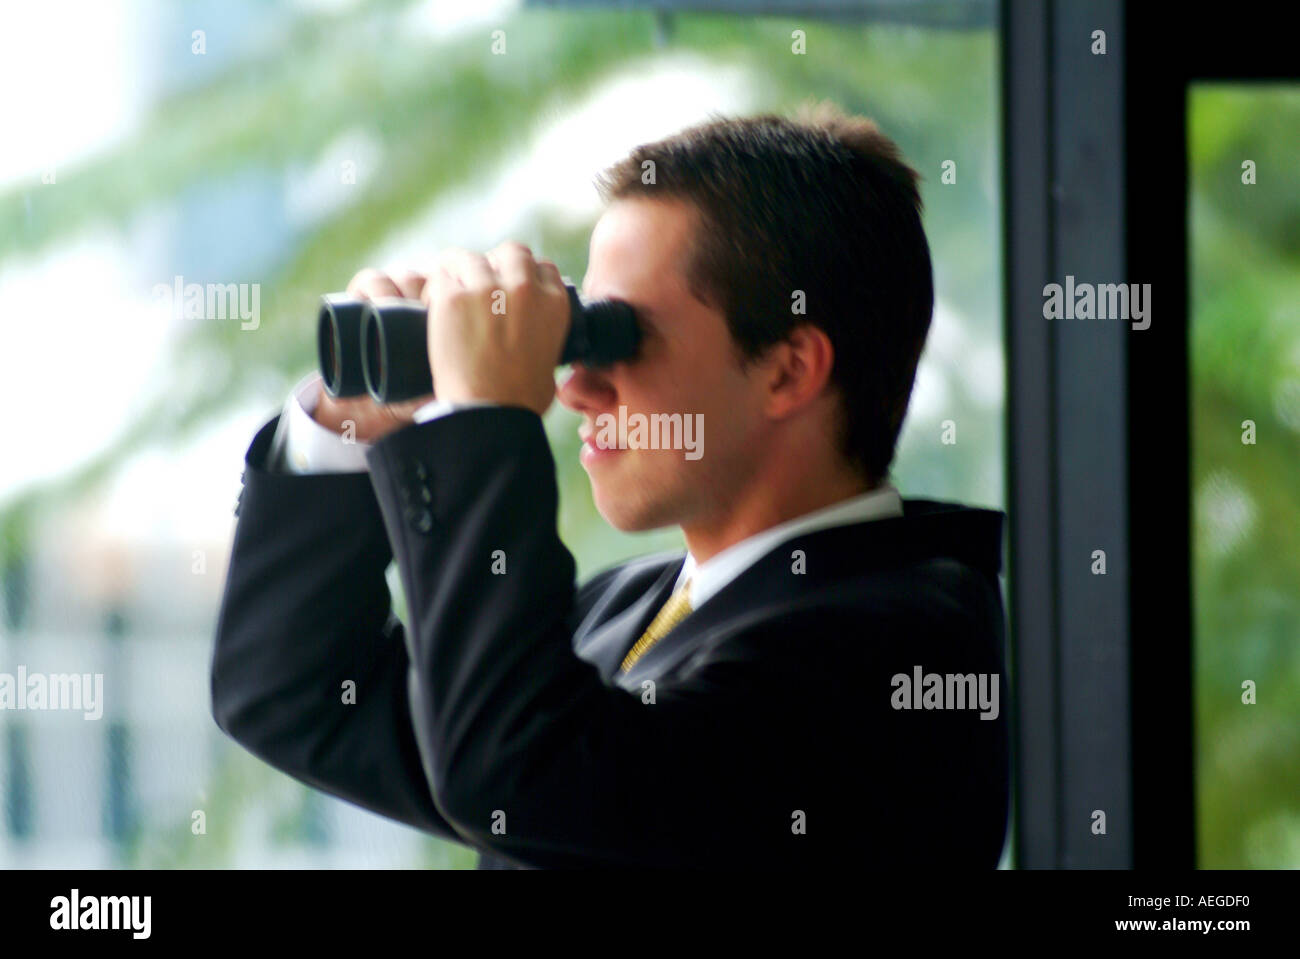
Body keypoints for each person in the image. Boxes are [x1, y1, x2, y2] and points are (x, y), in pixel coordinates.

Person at [210, 102, 1010, 869]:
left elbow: (519, 775)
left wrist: (483, 418)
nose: (577, 388)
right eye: (578, 331)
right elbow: (295, 695)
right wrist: (352, 421)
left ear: (788, 369)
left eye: (622, 336)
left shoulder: (900, 653)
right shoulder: (629, 607)